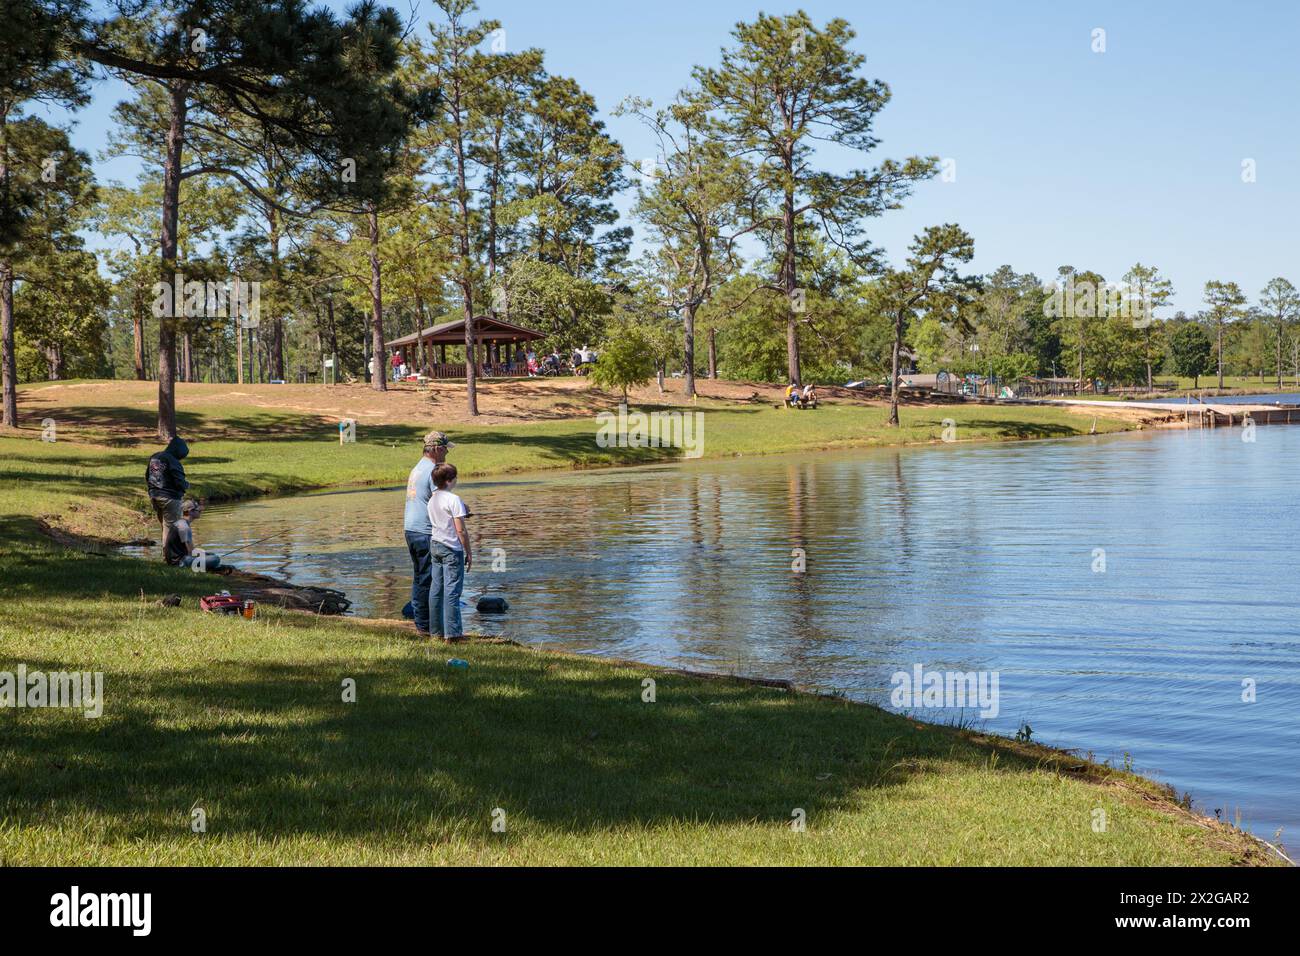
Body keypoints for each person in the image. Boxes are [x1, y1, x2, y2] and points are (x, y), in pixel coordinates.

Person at [404, 430, 455, 638]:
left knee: (420, 577)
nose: (446, 455)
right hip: (425, 531)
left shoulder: (418, 467)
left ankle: (421, 622)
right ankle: (426, 627)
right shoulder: (434, 470)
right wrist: (460, 510)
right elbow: (439, 501)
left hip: (410, 528)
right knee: (429, 579)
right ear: (437, 448)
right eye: (445, 450)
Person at [427, 463, 471, 641]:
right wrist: (468, 551)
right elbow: (460, 530)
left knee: (436, 590)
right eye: (455, 478)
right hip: (451, 548)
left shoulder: (432, 499)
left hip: (435, 544)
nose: (456, 480)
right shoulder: (453, 499)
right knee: (452, 591)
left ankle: (436, 633)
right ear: (449, 481)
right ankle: (453, 634)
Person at [146, 435, 190, 559]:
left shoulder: (155, 457)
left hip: (154, 496)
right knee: (171, 529)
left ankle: (167, 555)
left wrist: (151, 491)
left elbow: (147, 476)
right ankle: (171, 558)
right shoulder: (173, 461)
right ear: (178, 452)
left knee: (164, 526)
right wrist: (186, 485)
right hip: (170, 498)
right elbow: (179, 482)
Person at [164, 500, 221, 571]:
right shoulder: (184, 527)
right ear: (190, 511)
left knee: (210, 554)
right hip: (180, 562)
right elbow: (191, 552)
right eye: (198, 511)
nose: (200, 512)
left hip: (175, 560)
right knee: (215, 559)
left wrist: (203, 553)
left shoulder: (180, 523)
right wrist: (201, 554)